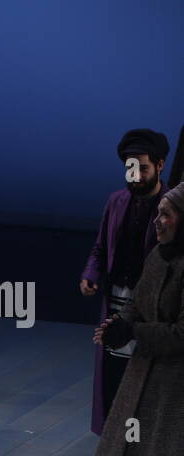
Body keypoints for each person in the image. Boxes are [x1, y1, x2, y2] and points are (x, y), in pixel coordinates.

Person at [81, 183, 184, 456]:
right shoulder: (158, 256)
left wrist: (136, 332)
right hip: (145, 377)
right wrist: (118, 325)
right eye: (158, 214)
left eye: (166, 215)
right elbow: (137, 304)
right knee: (134, 454)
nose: (158, 221)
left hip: (176, 386)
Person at [79, 128, 168, 434]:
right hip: (116, 297)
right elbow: (101, 247)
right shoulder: (116, 201)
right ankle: (114, 440)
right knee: (114, 369)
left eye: (142, 168)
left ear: (159, 165)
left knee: (146, 372)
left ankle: (143, 441)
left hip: (153, 305)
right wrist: (90, 275)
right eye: (130, 168)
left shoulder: (171, 206)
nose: (136, 175)